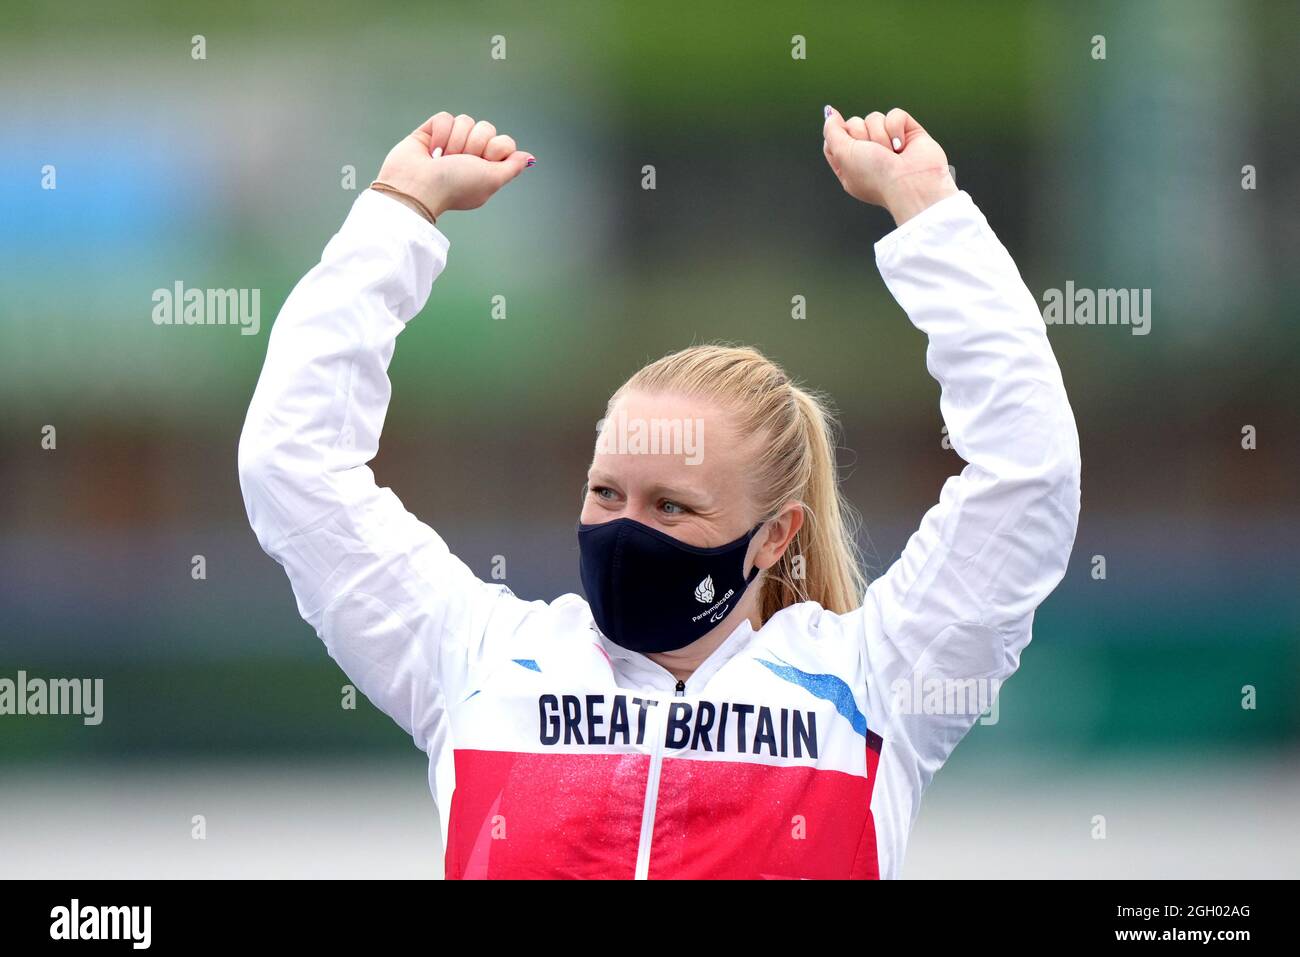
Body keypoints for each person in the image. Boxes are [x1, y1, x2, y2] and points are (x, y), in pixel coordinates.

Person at [238, 107, 1081, 879]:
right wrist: (397, 213)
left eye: (671, 506)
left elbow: (1027, 471)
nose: (625, 527)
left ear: (776, 535)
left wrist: (929, 212)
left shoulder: (876, 684)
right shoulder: (480, 662)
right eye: (606, 493)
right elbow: (294, 465)